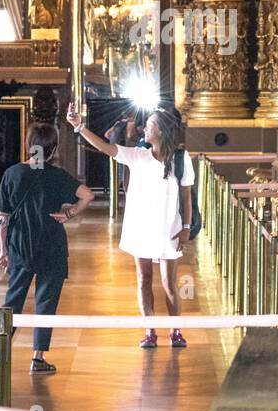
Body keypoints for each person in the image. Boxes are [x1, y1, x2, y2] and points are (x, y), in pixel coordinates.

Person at [67, 100, 194, 349]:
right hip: (141, 227)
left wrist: (187, 228)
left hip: (169, 227)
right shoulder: (137, 155)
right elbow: (104, 147)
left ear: (161, 131)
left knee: (169, 281)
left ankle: (176, 329)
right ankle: (149, 330)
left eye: (149, 125)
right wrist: (79, 126)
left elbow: (187, 195)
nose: (143, 130)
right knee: (143, 278)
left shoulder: (181, 158)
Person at [0, 123, 94, 374]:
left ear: (29, 145)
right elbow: (88, 195)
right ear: (54, 148)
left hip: (20, 245)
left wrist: (3, 250)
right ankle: (37, 358)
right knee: (46, 303)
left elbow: (2, 218)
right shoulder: (58, 176)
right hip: (51, 246)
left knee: (12, 301)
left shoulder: (12, 173)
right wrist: (69, 213)